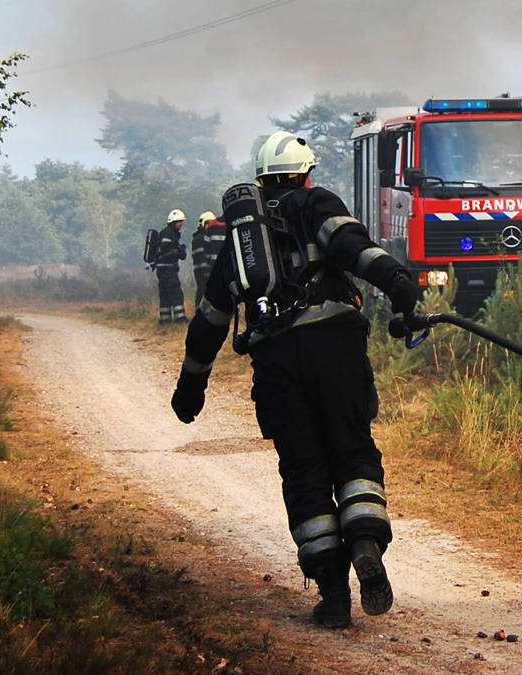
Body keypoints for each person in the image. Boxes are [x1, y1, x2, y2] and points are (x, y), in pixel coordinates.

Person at [170, 131, 419, 629]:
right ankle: (367, 544)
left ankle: (332, 594)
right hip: (336, 350)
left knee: (304, 468)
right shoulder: (316, 202)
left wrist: (190, 386)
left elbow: (211, 320)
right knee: (351, 448)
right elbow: (354, 248)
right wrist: (397, 282)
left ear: (262, 181)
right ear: (306, 173)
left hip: (277, 364)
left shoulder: (242, 241)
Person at [155, 209, 188, 324]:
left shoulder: (170, 233)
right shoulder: (168, 233)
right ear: (174, 222)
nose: (181, 224)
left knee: (165, 295)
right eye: (180, 221)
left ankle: (165, 320)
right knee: (176, 293)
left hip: (163, 269)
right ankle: (180, 319)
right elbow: (166, 250)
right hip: (168, 270)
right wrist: (179, 250)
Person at [190, 210, 227, 306]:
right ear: (203, 223)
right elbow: (201, 256)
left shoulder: (208, 235)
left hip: (209, 269)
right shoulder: (199, 238)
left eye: (211, 223)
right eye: (208, 223)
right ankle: (199, 309)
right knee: (202, 290)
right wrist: (206, 269)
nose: (210, 225)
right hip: (202, 270)